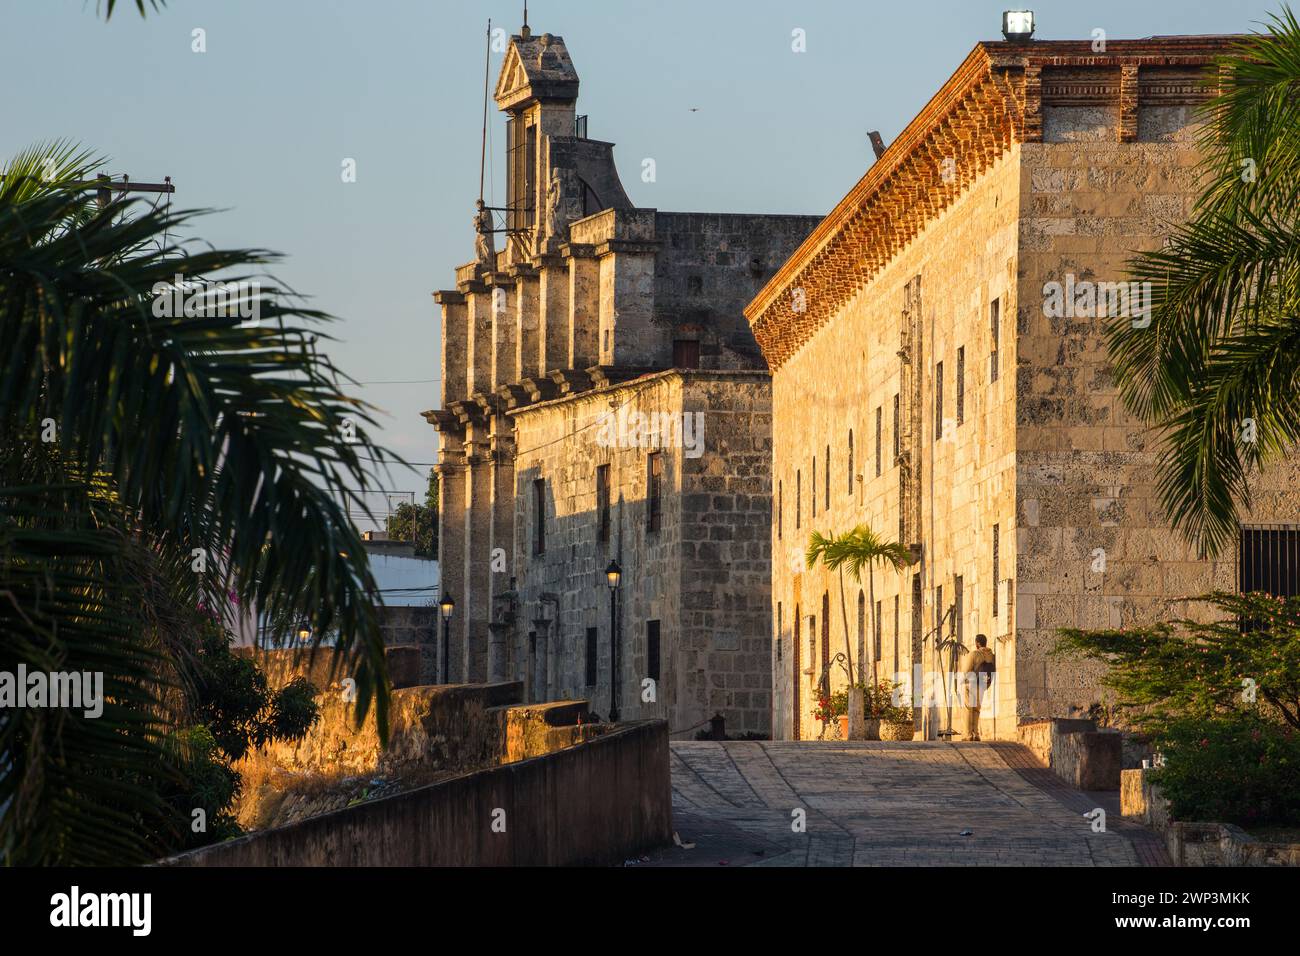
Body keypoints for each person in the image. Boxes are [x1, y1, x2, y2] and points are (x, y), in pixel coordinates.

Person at [959, 634, 995, 741]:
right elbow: (992, 672)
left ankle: (968, 734)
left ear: (978, 643)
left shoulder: (974, 654)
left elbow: (966, 671)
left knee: (968, 709)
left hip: (971, 684)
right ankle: (976, 733)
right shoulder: (991, 656)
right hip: (982, 686)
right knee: (976, 710)